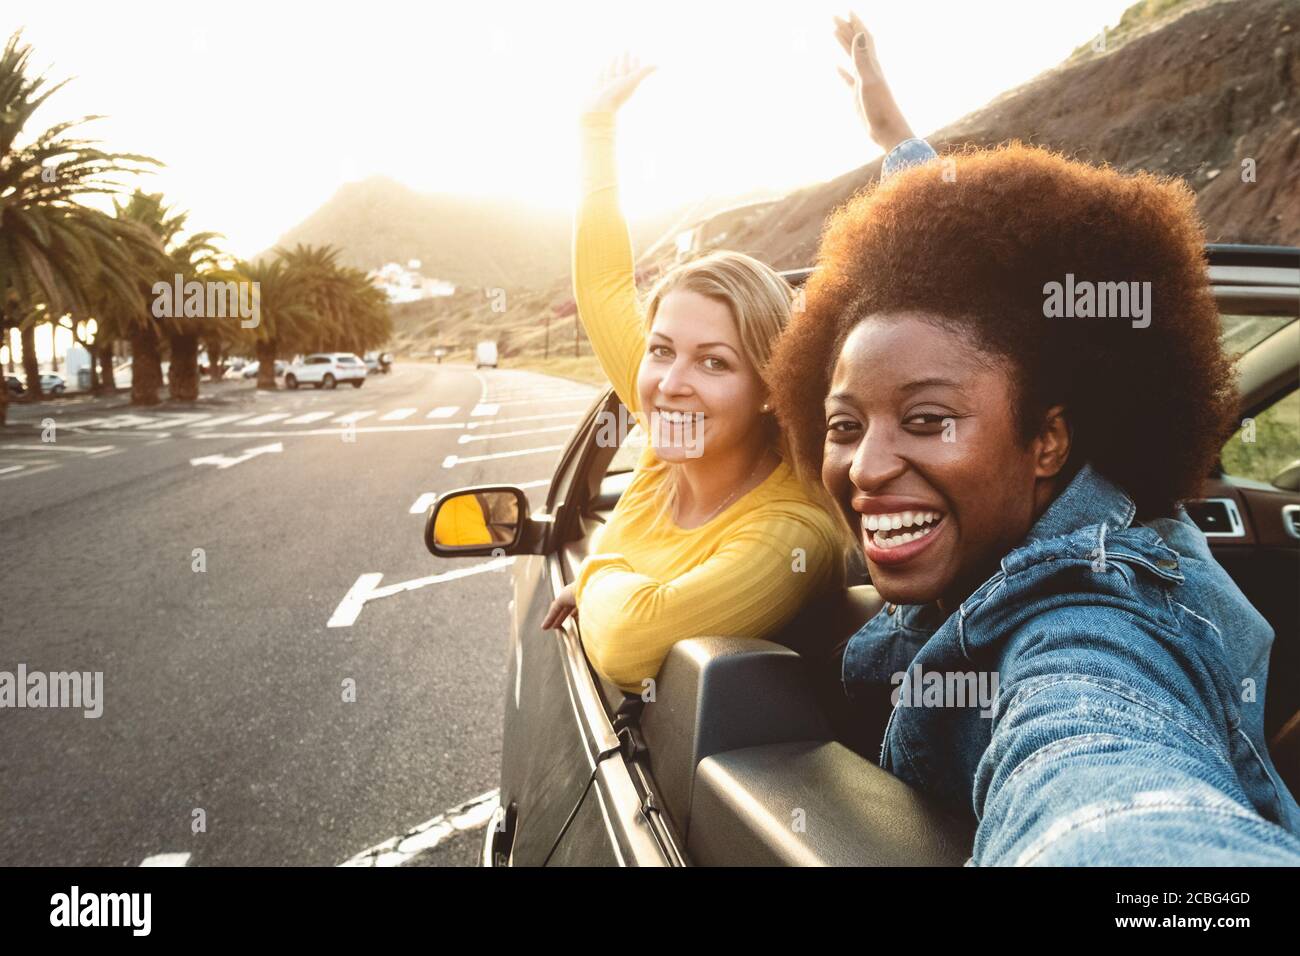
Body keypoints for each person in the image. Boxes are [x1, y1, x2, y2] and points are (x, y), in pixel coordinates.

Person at [766, 15, 1300, 865]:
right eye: (844, 424)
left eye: (928, 420)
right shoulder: (1059, 512)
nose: (866, 467)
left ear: (1047, 441)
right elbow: (979, 278)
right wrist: (898, 142)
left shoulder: (1091, 627)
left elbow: (1105, 793)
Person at [539, 54, 864, 695]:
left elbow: (631, 641)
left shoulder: (792, 532)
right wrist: (595, 126)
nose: (670, 382)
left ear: (771, 391)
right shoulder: (679, 433)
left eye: (716, 361)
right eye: (662, 350)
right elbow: (604, 288)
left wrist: (597, 570)